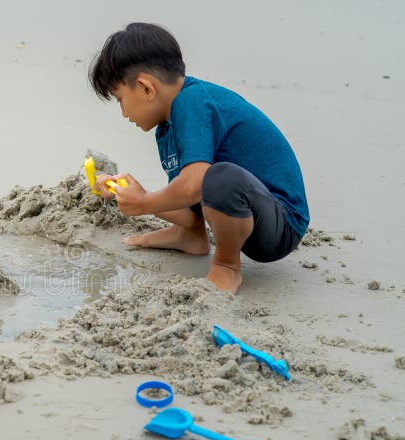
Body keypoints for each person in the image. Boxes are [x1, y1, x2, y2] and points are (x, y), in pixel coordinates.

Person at [89, 23, 309, 293]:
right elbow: (188, 200)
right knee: (204, 178)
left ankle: (227, 265)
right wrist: (130, 194)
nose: (123, 112)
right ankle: (191, 238)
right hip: (247, 211)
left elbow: (196, 184)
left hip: (281, 223)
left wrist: (145, 203)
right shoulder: (167, 127)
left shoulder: (191, 102)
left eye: (121, 99)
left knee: (217, 176)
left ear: (146, 88)